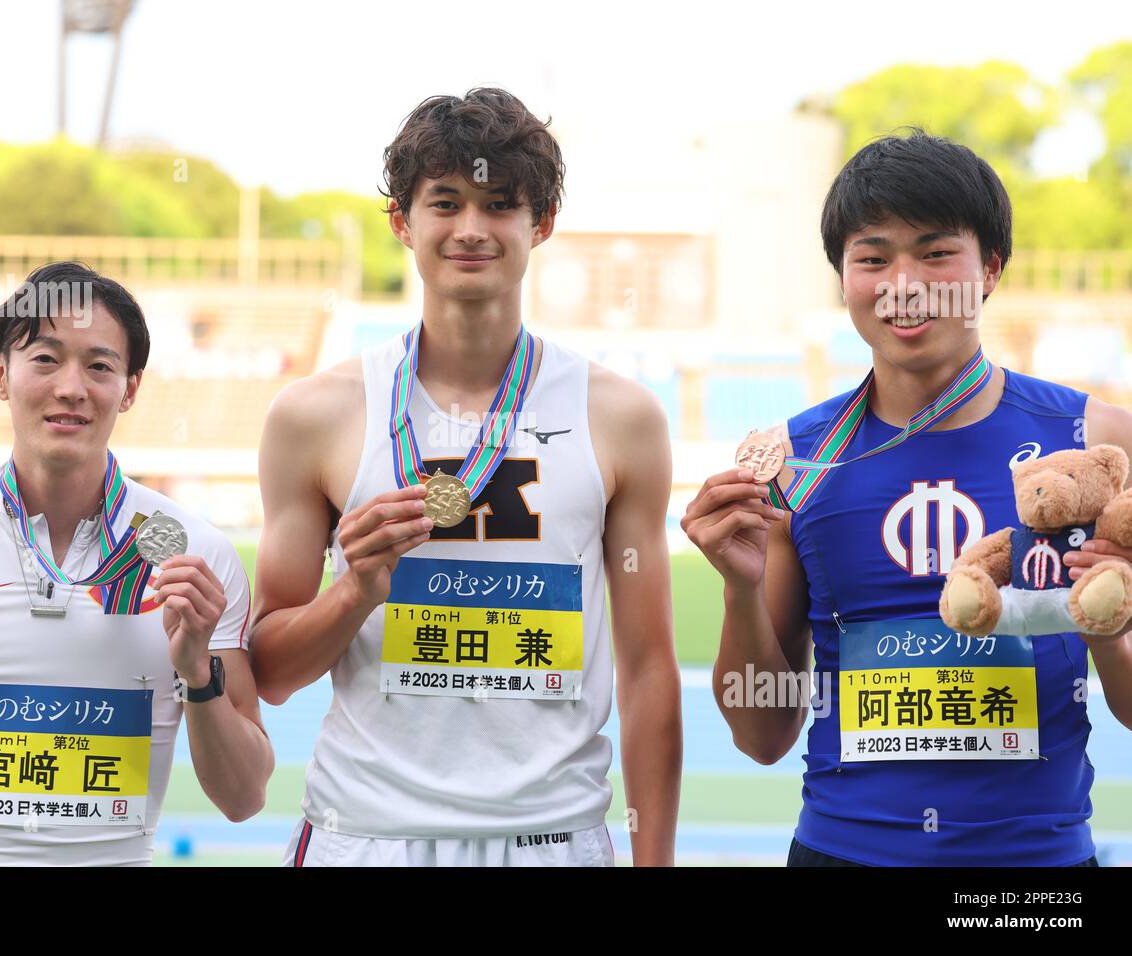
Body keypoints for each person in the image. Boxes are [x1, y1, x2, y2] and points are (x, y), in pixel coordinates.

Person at [251, 88, 681, 866]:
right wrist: (354, 589)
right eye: (445, 202)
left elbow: (649, 669)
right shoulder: (314, 415)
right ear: (402, 222)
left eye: (500, 204)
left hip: (551, 838)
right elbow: (271, 672)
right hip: (365, 836)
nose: (473, 229)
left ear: (540, 223)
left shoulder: (622, 417)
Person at [684, 130, 1132, 866]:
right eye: (872, 257)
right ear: (841, 277)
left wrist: (1108, 625)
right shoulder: (796, 460)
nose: (903, 281)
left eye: (934, 253)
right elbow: (761, 736)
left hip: (1032, 871)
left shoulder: (1092, 443)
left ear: (989, 268)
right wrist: (740, 588)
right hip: (842, 851)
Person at [0, 262, 273, 866]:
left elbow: (245, 797)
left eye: (99, 365)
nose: (72, 387)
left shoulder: (195, 555)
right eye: (44, 358)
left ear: (132, 387)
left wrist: (200, 675)